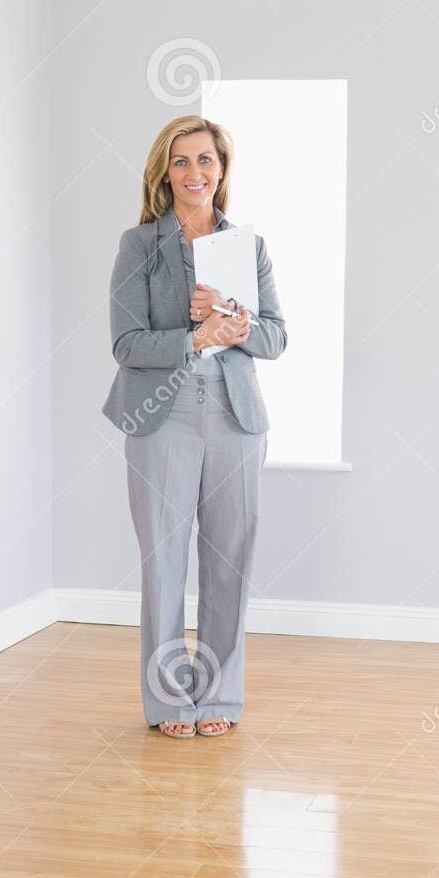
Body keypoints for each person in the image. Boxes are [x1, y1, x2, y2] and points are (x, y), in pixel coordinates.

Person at [101, 114, 288, 739]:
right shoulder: (139, 246)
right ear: (165, 172)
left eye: (205, 159)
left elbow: (275, 338)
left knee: (230, 558)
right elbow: (126, 343)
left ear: (222, 169)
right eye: (181, 161)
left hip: (236, 416)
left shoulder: (248, 247)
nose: (194, 172)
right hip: (164, 413)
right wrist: (196, 337)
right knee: (163, 560)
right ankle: (169, 702)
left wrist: (235, 319)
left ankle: (219, 696)